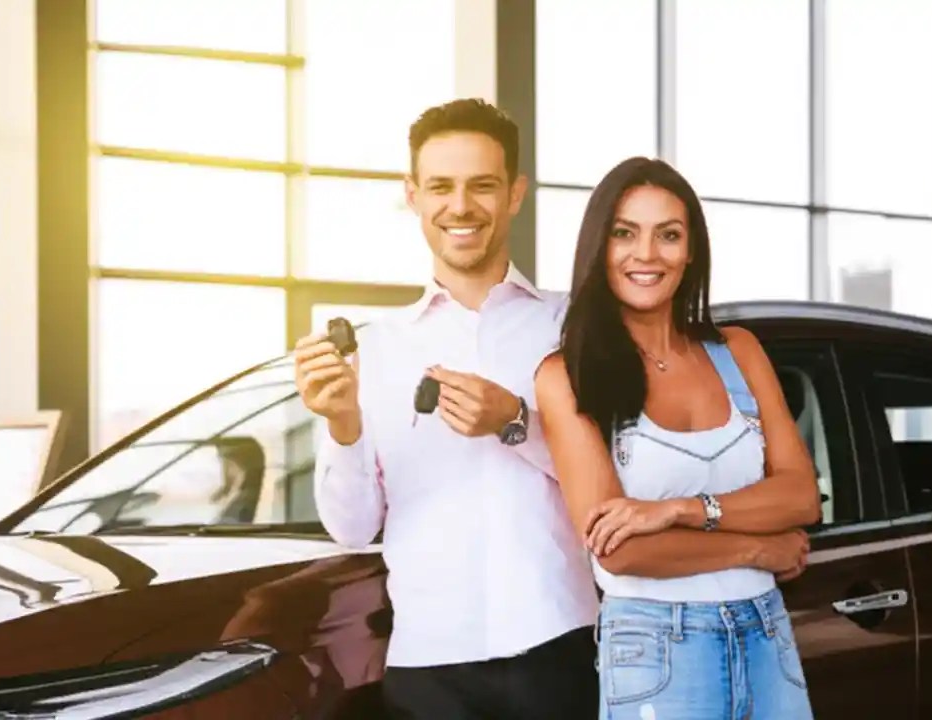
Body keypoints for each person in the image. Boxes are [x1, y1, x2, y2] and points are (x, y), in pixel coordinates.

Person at [293, 98, 600, 719]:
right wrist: (343, 425)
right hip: (429, 671)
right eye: (440, 187)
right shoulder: (376, 349)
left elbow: (614, 479)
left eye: (482, 185)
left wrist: (517, 422)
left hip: (560, 650)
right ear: (412, 195)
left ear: (515, 194)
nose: (460, 206)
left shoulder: (572, 326)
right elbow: (352, 529)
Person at [535, 156, 822, 719]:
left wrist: (676, 510)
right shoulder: (567, 375)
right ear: (599, 246)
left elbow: (800, 496)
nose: (646, 254)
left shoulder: (739, 352)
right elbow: (622, 550)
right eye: (625, 233)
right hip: (657, 645)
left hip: (766, 631)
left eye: (668, 235)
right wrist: (757, 548)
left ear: (691, 252)